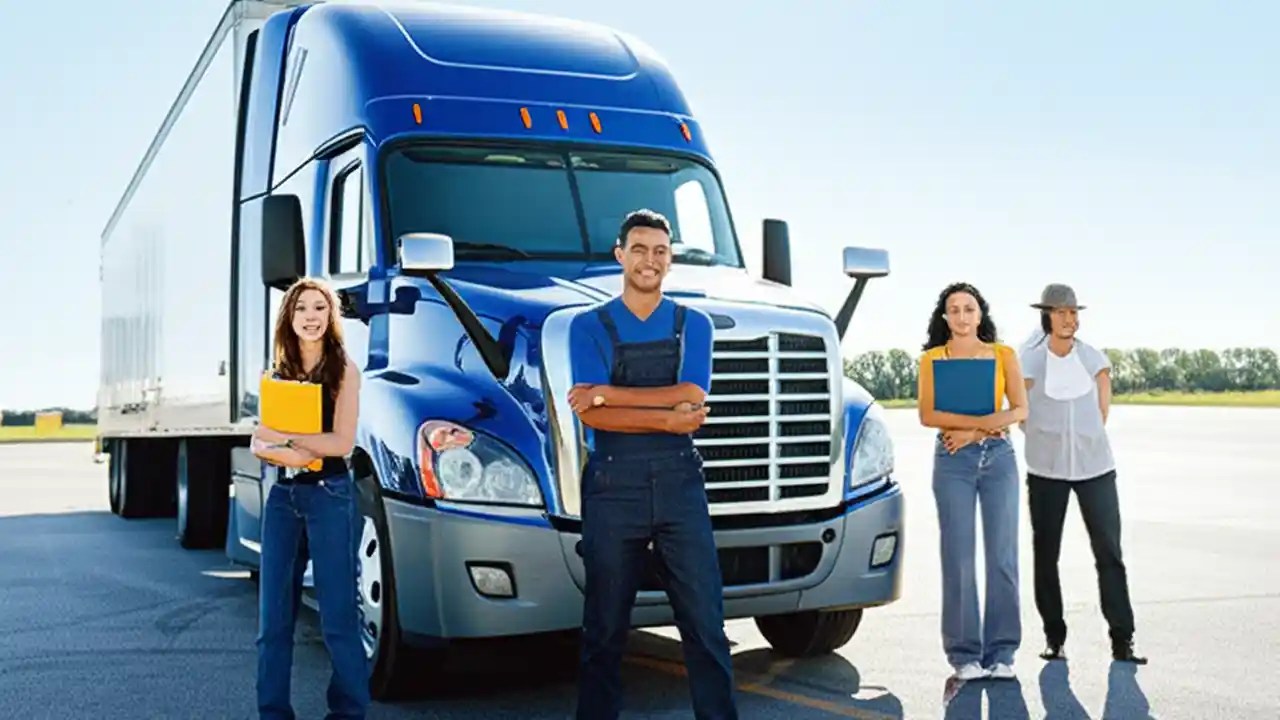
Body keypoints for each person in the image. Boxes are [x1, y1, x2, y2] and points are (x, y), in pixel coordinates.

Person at [566, 209, 738, 720]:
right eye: (639, 249)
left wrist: (609, 396)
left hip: (680, 485)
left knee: (706, 625)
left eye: (660, 251)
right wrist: (667, 420)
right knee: (604, 629)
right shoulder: (587, 325)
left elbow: (692, 393)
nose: (650, 260)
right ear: (620, 255)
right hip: (612, 485)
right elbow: (592, 414)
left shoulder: (694, 325)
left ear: (671, 259)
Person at [250, 277, 370, 719]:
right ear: (289, 317)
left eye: (320, 308)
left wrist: (286, 439)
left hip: (330, 495)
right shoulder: (276, 373)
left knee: (338, 619)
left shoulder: (344, 370)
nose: (311, 317)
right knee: (272, 624)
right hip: (282, 496)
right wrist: (291, 444)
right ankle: (273, 713)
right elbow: (258, 444)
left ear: (330, 316)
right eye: (302, 309)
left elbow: (340, 444)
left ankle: (348, 712)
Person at [1018, 283, 1147, 665]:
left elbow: (1102, 412)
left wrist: (1083, 440)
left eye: (1073, 312)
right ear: (1046, 316)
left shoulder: (1094, 359)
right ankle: (1054, 637)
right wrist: (1046, 440)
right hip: (1046, 472)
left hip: (1096, 469)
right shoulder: (1030, 361)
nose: (1069, 319)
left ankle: (1122, 639)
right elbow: (1019, 409)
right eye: (1060, 312)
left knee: (1109, 553)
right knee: (1046, 555)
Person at [916, 282, 1028, 682]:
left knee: (1002, 557)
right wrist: (977, 430)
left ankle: (1002, 653)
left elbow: (1019, 408)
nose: (962, 316)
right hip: (951, 461)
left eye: (969, 308)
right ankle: (964, 655)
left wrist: (971, 433)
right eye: (954, 309)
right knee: (958, 557)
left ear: (981, 314)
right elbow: (928, 415)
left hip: (999, 460)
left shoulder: (1003, 355)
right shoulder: (931, 359)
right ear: (945, 317)